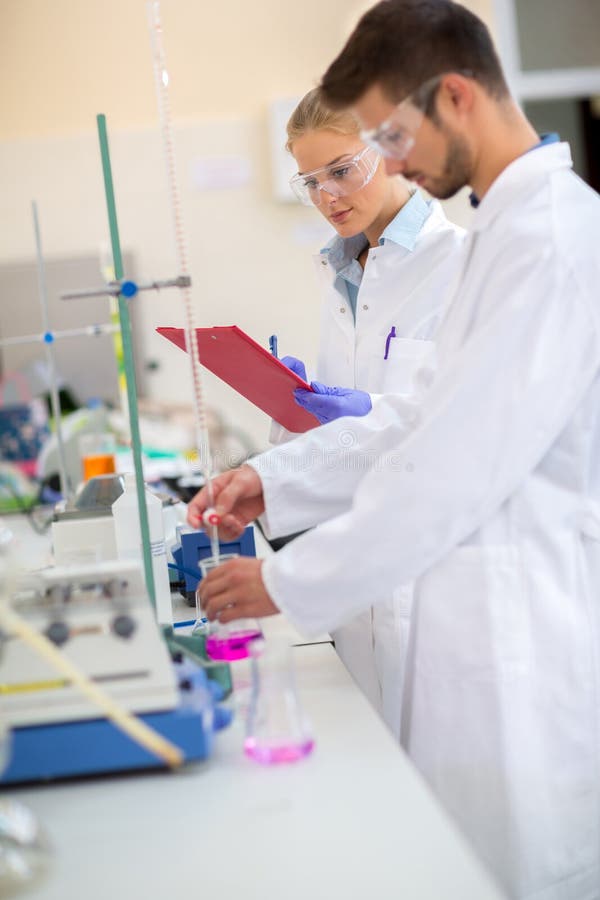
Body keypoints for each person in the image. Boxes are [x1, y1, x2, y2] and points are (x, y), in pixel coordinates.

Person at [189, 2, 600, 898]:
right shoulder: (508, 230)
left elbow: (448, 464)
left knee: (514, 871)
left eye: (390, 135)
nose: (394, 161)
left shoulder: (551, 241)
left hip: (515, 630)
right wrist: (277, 475)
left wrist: (289, 583)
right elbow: (414, 421)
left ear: (455, 96)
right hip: (465, 612)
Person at [271, 87, 465, 736]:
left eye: (342, 170)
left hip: (436, 580)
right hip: (361, 576)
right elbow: (350, 438)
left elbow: (438, 426)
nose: (328, 195)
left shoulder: (457, 263)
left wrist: (360, 413)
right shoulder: (341, 272)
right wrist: (291, 408)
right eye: (310, 181)